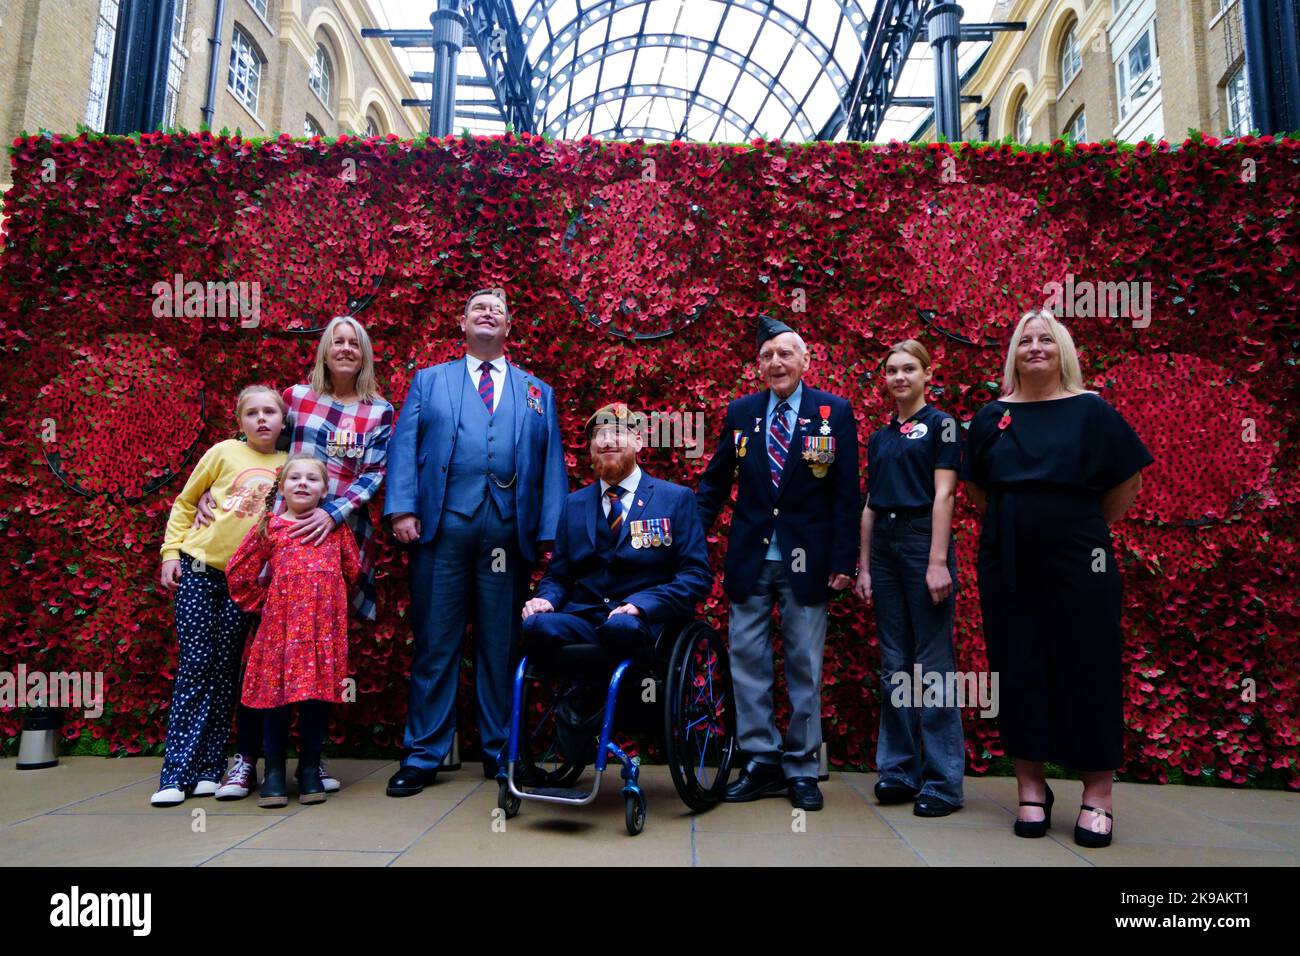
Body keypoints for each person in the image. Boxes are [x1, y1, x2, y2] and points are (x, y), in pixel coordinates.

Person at [962, 309, 1152, 848]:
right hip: (1007, 558)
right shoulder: (990, 414)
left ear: (1063, 351)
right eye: (1026, 340)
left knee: (1087, 663)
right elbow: (977, 488)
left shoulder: (1092, 412)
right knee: (1017, 664)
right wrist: (1016, 520)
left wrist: (1075, 526)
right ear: (1013, 354)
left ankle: (1097, 794)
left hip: (1080, 556)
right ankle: (1030, 788)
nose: (1036, 347)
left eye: (1047, 339)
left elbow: (1125, 482)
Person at [193, 316, 393, 800]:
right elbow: (262, 448)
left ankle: (311, 758)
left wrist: (334, 512)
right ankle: (247, 758)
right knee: (262, 660)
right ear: (324, 351)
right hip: (279, 536)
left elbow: (375, 473)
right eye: (337, 342)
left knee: (314, 656)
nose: (345, 349)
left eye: (354, 343)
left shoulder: (380, 410)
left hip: (336, 533)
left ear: (364, 354)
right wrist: (214, 490)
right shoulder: (299, 398)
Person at [382, 289, 568, 797]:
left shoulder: (537, 392)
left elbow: (552, 464)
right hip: (440, 531)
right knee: (436, 645)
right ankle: (423, 754)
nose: (488, 314)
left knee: (500, 647)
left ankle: (501, 753)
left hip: (507, 535)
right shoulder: (429, 381)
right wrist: (402, 508)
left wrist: (551, 532)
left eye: (498, 311)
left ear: (509, 327)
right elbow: (405, 447)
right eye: (478, 309)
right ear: (462, 323)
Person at [696, 315, 860, 812]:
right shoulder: (742, 412)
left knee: (804, 664)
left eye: (785, 354)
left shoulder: (835, 412)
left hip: (807, 561)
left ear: (805, 361)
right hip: (750, 558)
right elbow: (715, 483)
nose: (776, 362)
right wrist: (689, 537)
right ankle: (761, 761)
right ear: (758, 365)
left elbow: (846, 494)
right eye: (767, 356)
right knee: (746, 662)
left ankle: (803, 767)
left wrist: (844, 559)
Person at [151, 385, 288, 806]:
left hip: (244, 580)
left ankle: (210, 768)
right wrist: (170, 552)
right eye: (253, 413)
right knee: (196, 663)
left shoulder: (287, 463)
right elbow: (187, 501)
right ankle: (176, 773)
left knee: (226, 668)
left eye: (270, 412)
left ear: (284, 420)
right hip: (200, 568)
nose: (262, 420)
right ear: (240, 420)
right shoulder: (223, 451)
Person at [856, 339, 965, 817]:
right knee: (894, 663)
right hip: (884, 546)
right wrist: (862, 565)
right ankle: (899, 770)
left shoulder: (943, 426)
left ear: (926, 375)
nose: (899, 377)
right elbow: (869, 505)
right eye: (892, 371)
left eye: (908, 369)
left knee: (933, 665)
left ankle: (942, 782)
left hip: (924, 541)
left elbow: (945, 495)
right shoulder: (880, 437)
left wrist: (937, 561)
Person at [521, 402, 713, 658]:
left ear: (637, 441)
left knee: (621, 628)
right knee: (535, 624)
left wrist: (641, 605)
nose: (608, 441)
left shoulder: (675, 499)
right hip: (585, 619)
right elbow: (559, 576)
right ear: (591, 449)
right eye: (600, 435)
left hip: (645, 622)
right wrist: (546, 599)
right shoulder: (574, 504)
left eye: (617, 432)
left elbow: (695, 575)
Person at [225, 455, 361, 807]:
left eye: (312, 479)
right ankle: (273, 774)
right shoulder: (270, 527)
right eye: (295, 478)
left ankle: (311, 768)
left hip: (322, 631)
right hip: (281, 631)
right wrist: (267, 604)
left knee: (316, 699)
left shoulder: (335, 527)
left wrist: (328, 601)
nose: (303, 483)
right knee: (277, 698)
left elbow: (352, 570)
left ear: (325, 490)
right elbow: (239, 572)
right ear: (281, 487)